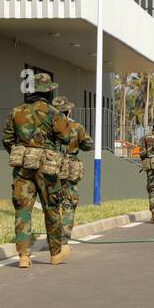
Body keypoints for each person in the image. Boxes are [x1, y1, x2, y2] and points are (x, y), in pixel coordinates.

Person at [3, 72, 74, 267]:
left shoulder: (16, 111)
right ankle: (56, 253)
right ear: (49, 92)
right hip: (47, 168)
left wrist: (23, 152)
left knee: (23, 211)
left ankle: (24, 256)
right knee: (51, 208)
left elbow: (7, 140)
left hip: (23, 167)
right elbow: (66, 137)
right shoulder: (54, 113)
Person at [52, 96, 94, 246]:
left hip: (50, 165)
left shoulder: (47, 126)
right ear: (68, 110)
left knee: (51, 201)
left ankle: (53, 235)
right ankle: (63, 238)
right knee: (69, 201)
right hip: (70, 166)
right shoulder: (76, 126)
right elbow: (88, 145)